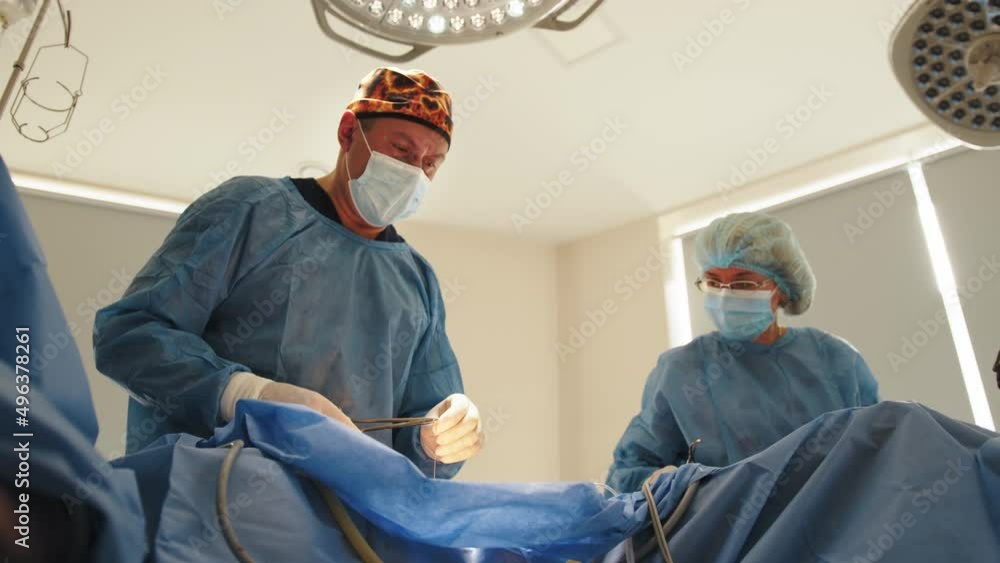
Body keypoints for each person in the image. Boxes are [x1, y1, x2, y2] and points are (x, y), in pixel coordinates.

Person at [94, 68, 483, 478]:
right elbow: (129, 337)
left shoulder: (416, 281)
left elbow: (422, 426)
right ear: (348, 132)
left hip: (350, 527)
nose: (414, 171)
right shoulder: (252, 211)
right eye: (402, 151)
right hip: (207, 508)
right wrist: (247, 394)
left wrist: (438, 437)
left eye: (430, 163)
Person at [606, 212, 879, 492]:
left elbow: (879, 455)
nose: (725, 294)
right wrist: (665, 488)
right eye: (713, 281)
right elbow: (628, 474)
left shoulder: (834, 360)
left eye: (743, 283)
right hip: (728, 534)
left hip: (838, 530)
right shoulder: (681, 371)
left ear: (782, 288)